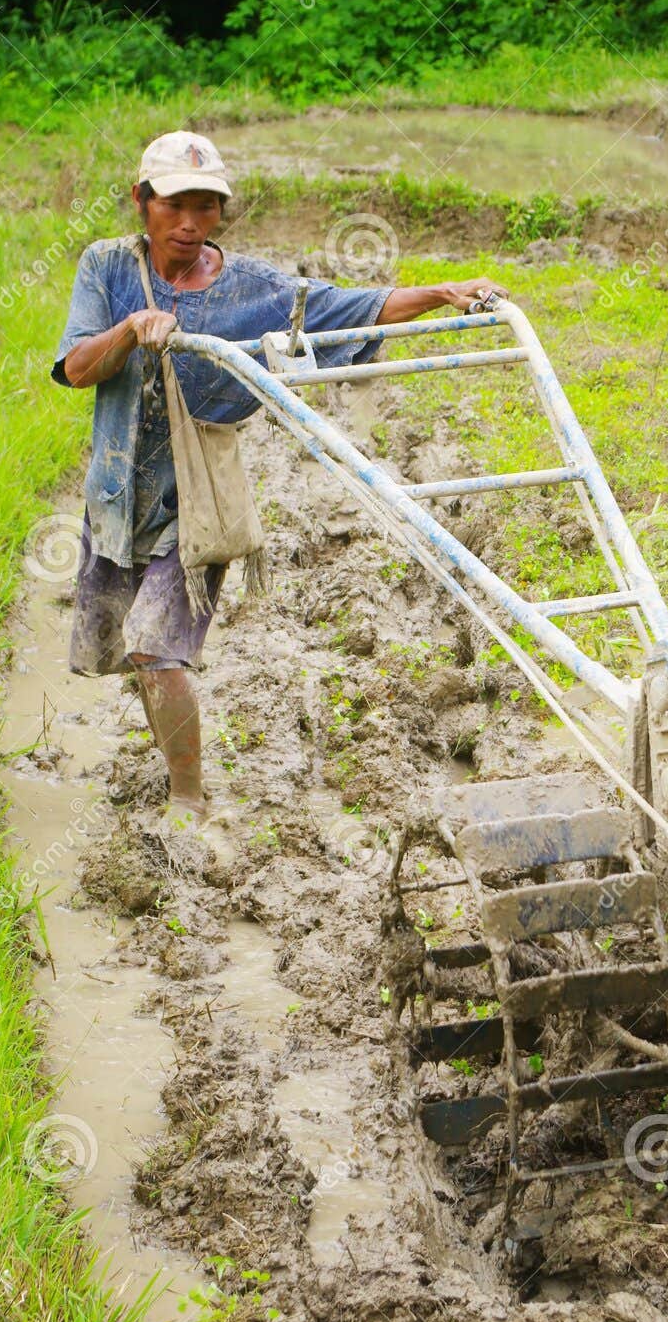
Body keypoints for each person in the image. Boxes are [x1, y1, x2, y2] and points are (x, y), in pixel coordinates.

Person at [53, 130, 507, 825]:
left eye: (206, 207)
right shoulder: (108, 268)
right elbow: (77, 370)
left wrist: (446, 292)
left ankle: (187, 801)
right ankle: (172, 763)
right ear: (142, 202)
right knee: (130, 654)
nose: (189, 223)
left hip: (199, 507)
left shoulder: (258, 292)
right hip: (117, 498)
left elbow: (358, 306)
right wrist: (129, 330)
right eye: (174, 204)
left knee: (156, 647)